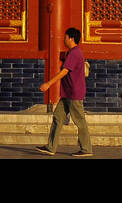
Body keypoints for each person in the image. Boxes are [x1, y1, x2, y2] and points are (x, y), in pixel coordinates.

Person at [36, 27, 92, 156]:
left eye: (65, 37)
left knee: (79, 120)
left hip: (74, 93)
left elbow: (65, 71)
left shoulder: (75, 53)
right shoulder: (72, 52)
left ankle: (86, 149)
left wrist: (49, 84)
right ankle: (51, 147)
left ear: (71, 38)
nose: (64, 39)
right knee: (57, 117)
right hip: (67, 93)